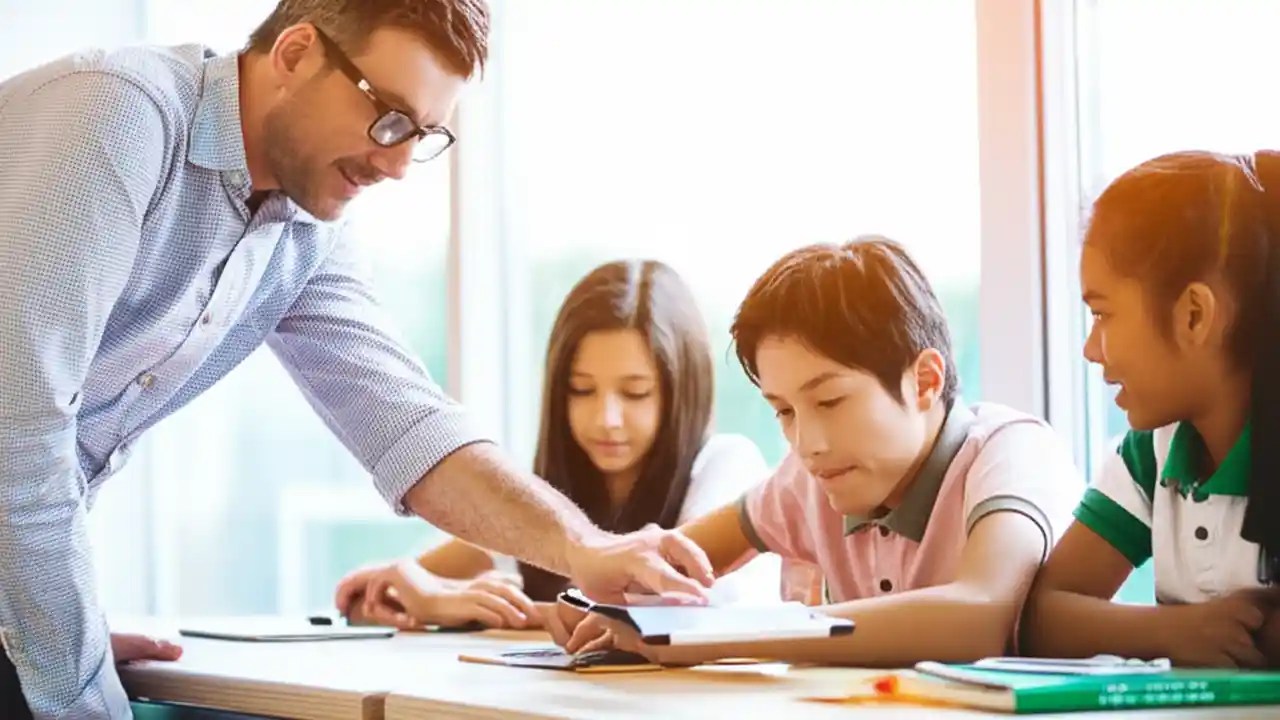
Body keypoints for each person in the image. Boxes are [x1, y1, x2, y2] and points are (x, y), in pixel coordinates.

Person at [0, 2, 711, 717]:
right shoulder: (118, 116)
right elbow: (17, 434)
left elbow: (408, 428)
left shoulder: (304, 230)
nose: (398, 165)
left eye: (422, 135)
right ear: (296, 54)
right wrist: (75, 677)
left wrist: (585, 549)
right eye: (389, 118)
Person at [562, 237, 1084, 666]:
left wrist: (710, 637)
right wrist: (600, 607)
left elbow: (981, 616)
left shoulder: (1010, 454)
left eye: (830, 401)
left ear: (925, 381)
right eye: (784, 411)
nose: (807, 444)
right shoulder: (810, 480)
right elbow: (661, 567)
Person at [335, 260, 780, 629]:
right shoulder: (542, 513)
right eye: (581, 390)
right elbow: (364, 600)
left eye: (635, 393)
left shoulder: (726, 464)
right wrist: (435, 596)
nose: (606, 419)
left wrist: (463, 606)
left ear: (683, 394)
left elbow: (678, 612)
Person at [1023, 150, 1280, 668]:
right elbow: (1043, 618)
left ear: (1194, 316)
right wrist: (1177, 631)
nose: (1090, 349)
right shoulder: (1152, 454)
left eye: (1102, 314)